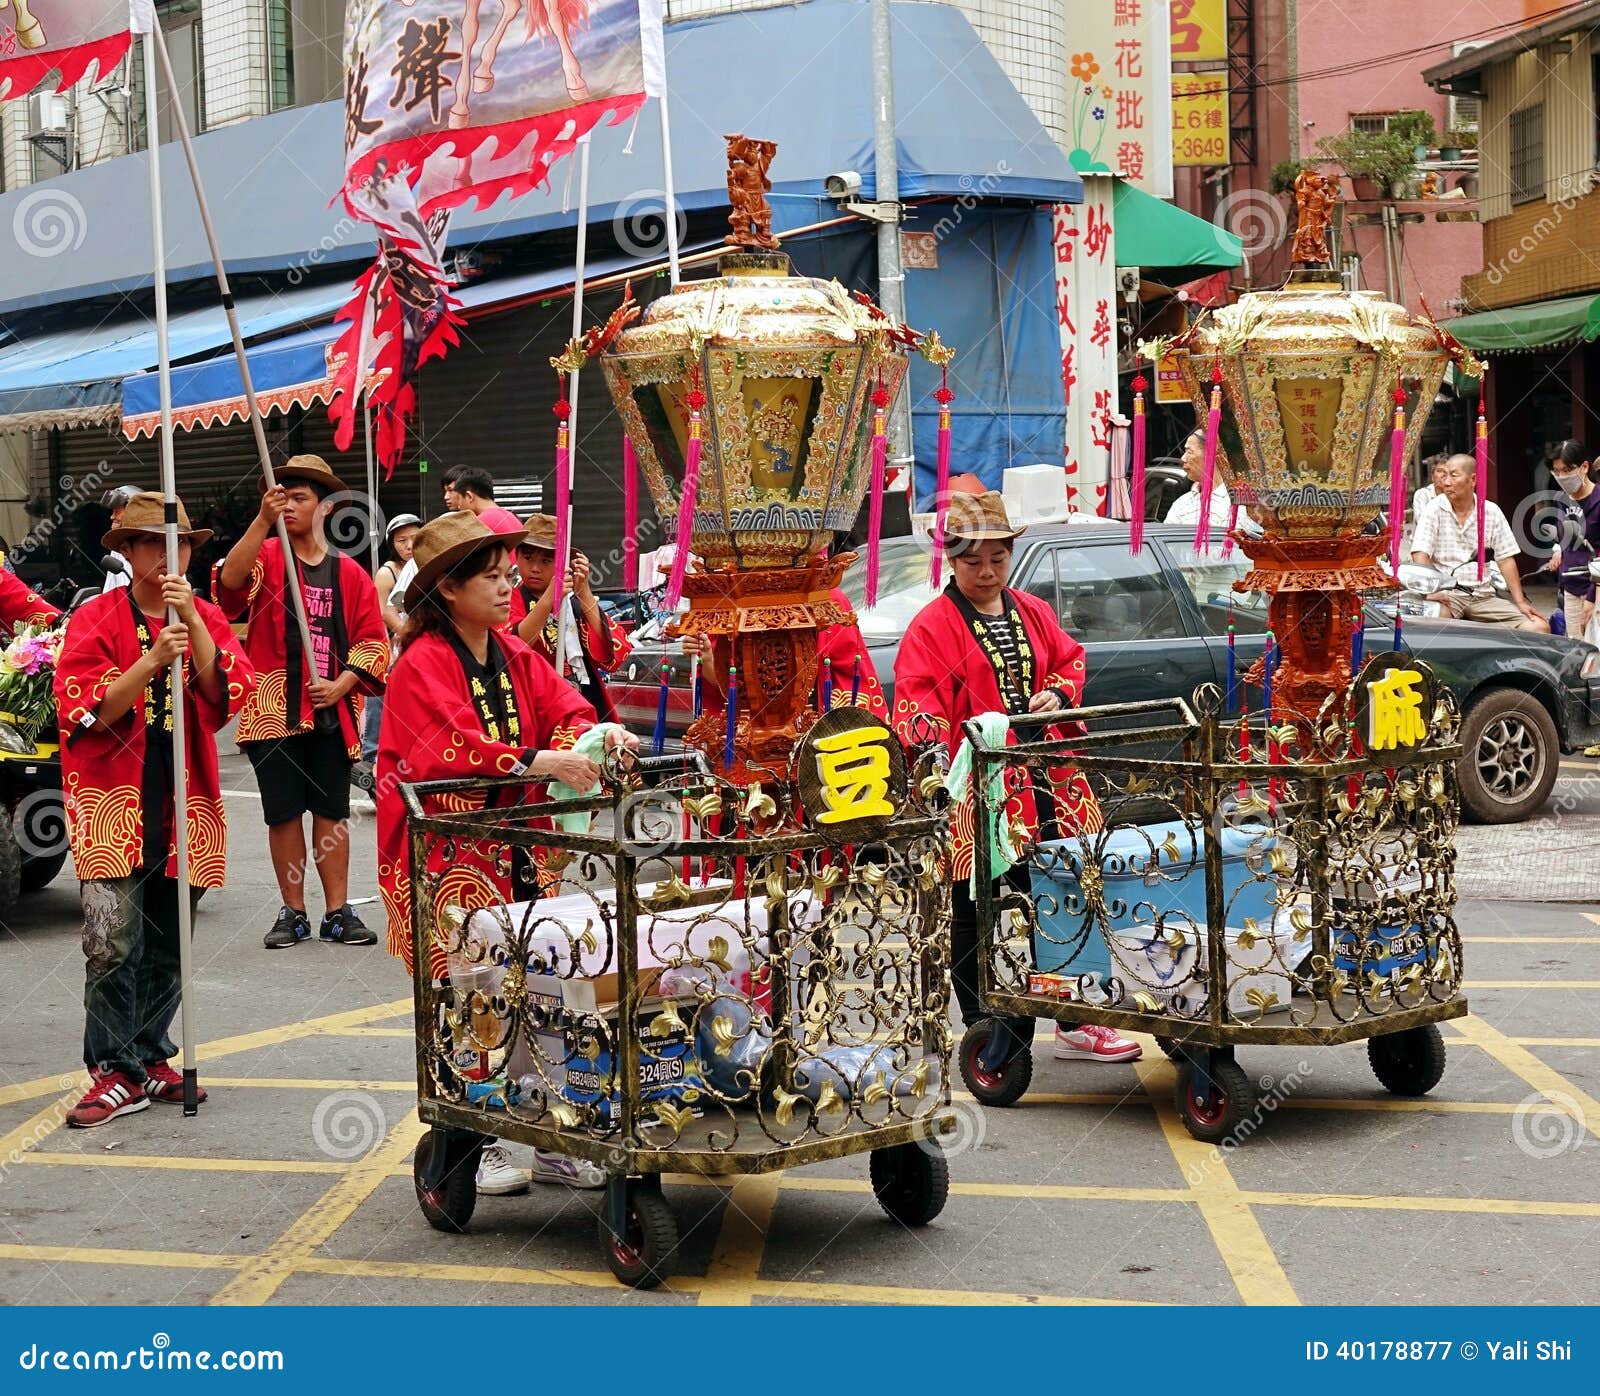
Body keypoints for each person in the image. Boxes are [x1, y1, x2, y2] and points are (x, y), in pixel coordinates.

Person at [377, 510, 638, 1194]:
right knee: (472, 990)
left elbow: (565, 706)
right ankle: (481, 1135)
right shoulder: (420, 664)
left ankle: (555, 1130)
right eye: (489, 578)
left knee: (549, 980)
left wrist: (594, 733)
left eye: (504, 575)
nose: (506, 588)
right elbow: (444, 747)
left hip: (522, 843)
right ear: (448, 592)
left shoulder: (514, 653)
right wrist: (537, 757)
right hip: (455, 856)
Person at [892, 491, 1141, 1064]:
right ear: (951, 561)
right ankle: (983, 1023)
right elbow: (914, 707)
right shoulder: (931, 627)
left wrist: (1057, 690)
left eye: (997, 559)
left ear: (1011, 555)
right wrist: (955, 739)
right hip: (978, 785)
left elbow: (1069, 660)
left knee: (1065, 892)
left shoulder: (1033, 610)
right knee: (972, 902)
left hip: (1048, 780)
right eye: (973, 561)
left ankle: (1077, 1013)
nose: (986, 572)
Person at [54, 493, 256, 1127]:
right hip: (112, 801)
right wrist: (149, 660)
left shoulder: (205, 618)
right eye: (152, 545)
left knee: (172, 943)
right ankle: (111, 1068)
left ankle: (150, 1053)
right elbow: (85, 710)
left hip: (184, 800)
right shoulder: (94, 616)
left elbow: (230, 694)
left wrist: (194, 625)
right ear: (128, 553)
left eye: (181, 545)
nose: (170, 556)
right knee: (112, 943)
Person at [217, 456, 390, 950]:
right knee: (283, 814)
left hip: (332, 712)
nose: (289, 505)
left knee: (331, 814)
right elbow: (229, 585)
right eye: (283, 496)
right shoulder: (268, 556)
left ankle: (338, 911)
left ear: (324, 506)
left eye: (300, 498)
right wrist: (260, 521)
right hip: (273, 711)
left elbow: (373, 640)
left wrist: (343, 682)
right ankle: (293, 910)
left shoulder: (350, 573)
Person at [511, 514, 633, 722]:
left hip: (585, 703)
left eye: (546, 561)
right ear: (517, 557)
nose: (535, 568)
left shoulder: (573, 602)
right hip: (538, 707)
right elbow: (513, 647)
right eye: (528, 558)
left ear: (563, 563)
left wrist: (584, 592)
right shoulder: (511, 597)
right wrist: (549, 599)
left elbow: (615, 654)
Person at [1411, 455, 1548, 632]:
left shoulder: (1491, 511)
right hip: (1447, 596)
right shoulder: (1434, 508)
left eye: (1453, 475)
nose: (1446, 482)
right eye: (1444, 475)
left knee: (1538, 627)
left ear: (1473, 479)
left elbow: (1505, 559)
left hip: (1482, 595)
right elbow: (1420, 553)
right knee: (1433, 621)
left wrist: (1520, 602)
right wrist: (1431, 591)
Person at [357, 512, 422, 781]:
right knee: (380, 696)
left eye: (413, 538)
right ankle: (371, 754)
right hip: (394, 646)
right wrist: (405, 633)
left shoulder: (427, 563)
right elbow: (380, 609)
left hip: (419, 644)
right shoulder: (388, 572)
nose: (408, 545)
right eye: (401, 540)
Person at [1543, 440, 1600, 636]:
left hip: (1597, 588)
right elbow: (1565, 536)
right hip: (1570, 586)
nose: (1562, 477)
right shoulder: (1562, 499)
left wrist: (1593, 597)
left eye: (1567, 470)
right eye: (1557, 472)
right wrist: (1558, 551)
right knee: (1577, 650)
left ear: (1584, 467)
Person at [1164, 429, 1231, 528]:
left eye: (1189, 452)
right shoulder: (1181, 504)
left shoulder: (1236, 502)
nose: (1183, 458)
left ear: (1210, 454)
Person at [100, 486, 140, 592]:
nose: (112, 517)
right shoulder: (118, 546)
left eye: (117, 511)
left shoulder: (157, 546)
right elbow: (110, 589)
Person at [1412, 456, 1447, 521]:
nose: (1443, 475)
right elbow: (1423, 522)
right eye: (1439, 471)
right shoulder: (1422, 494)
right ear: (1433, 477)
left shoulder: (1456, 495)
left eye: (1446, 472)